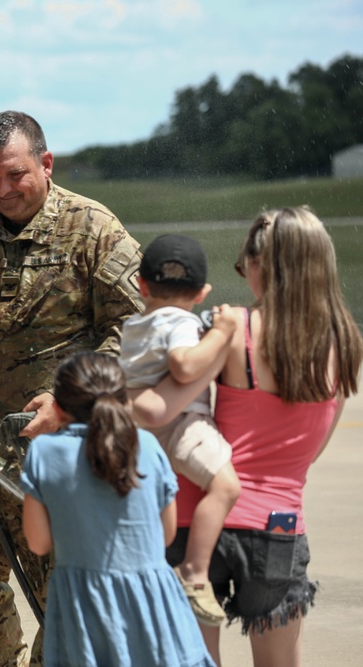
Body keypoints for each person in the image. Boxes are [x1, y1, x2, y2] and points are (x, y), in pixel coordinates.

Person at [0, 110, 143, 666]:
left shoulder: (92, 228)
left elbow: (135, 324)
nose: (2, 190)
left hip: (60, 452)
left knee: (70, 608)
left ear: (45, 163)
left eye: (15, 175)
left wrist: (75, 401)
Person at [132, 207, 363, 667]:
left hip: (197, 520)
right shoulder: (346, 341)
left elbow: (161, 408)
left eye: (245, 266)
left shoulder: (234, 326)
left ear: (263, 267)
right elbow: (312, 453)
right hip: (279, 529)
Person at [20, 351, 215, 666]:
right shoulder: (148, 446)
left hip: (85, 608)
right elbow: (166, 535)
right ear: (124, 400)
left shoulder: (44, 451)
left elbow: (38, 542)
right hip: (154, 603)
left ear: (57, 407)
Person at [119, 233, 242, 626]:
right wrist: (222, 333)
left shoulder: (133, 325)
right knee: (226, 487)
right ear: (203, 292)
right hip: (182, 425)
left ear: (141, 285)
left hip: (139, 435)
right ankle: (195, 571)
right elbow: (184, 366)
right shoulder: (181, 321)